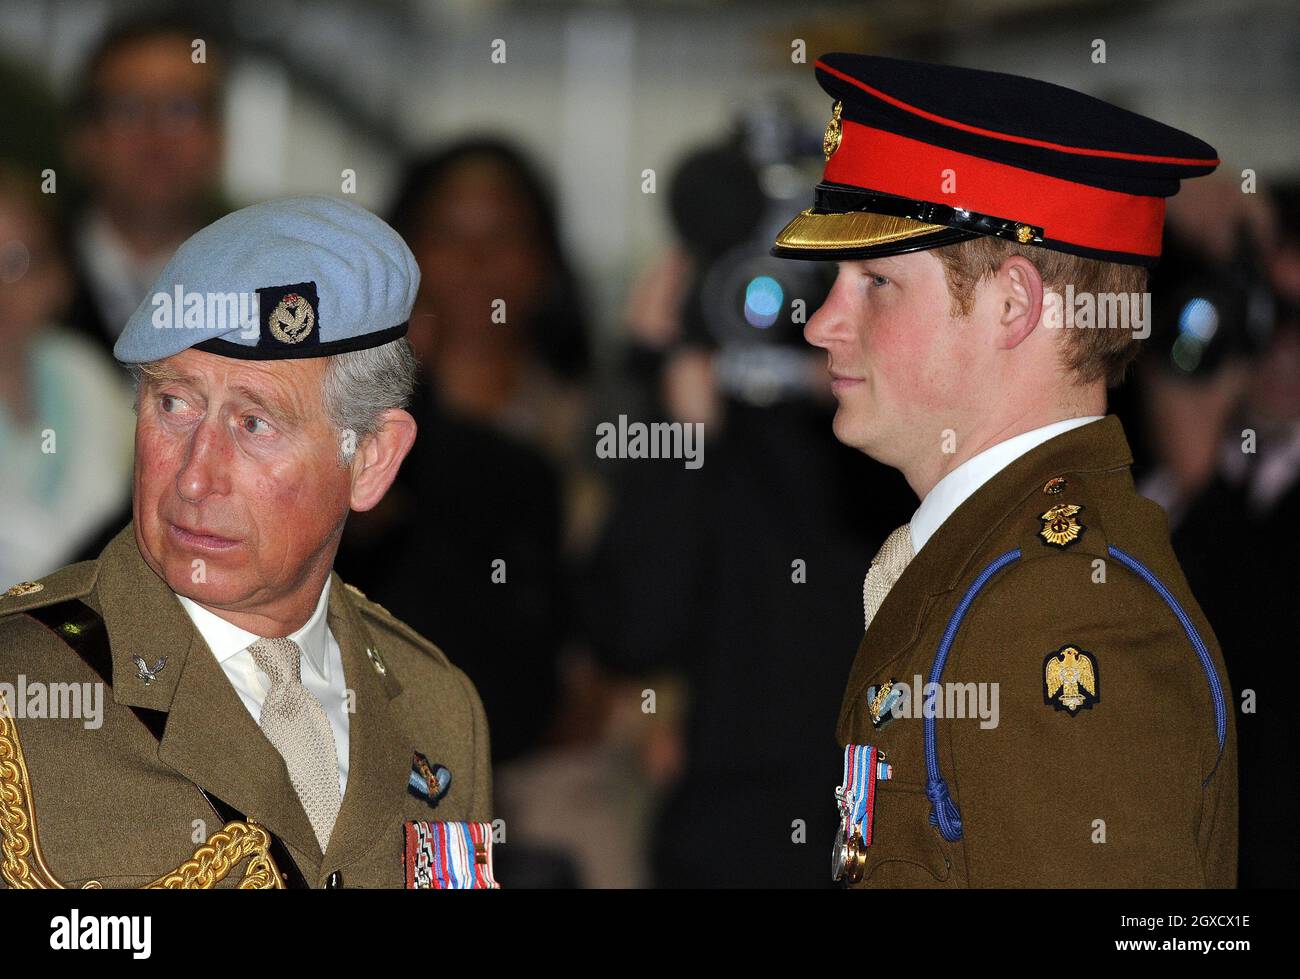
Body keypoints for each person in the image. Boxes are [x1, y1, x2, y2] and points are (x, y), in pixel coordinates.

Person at [771, 53, 1236, 887]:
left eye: (875, 280)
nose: (823, 324)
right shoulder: (990, 569)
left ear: (1015, 307)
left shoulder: (1063, 615)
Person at [0, 197, 494, 889]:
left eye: (255, 424)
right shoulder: (21, 693)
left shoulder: (438, 711)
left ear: (372, 458)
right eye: (173, 404)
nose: (196, 476)